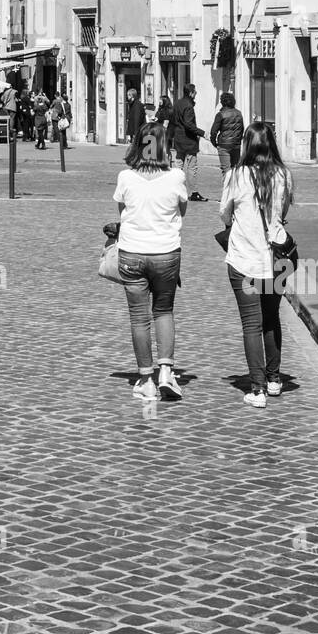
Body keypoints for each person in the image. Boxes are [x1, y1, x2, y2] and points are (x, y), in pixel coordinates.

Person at [113, 121, 188, 404]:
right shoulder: (176, 177)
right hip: (166, 253)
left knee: (138, 318)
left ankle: (146, 380)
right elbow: (182, 210)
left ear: (138, 145)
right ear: (164, 146)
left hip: (132, 253)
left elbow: (122, 212)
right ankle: (166, 372)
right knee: (164, 311)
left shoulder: (126, 178)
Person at [220, 122, 294, 408]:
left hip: (244, 258)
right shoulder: (283, 174)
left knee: (251, 324)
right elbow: (284, 211)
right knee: (272, 317)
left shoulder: (237, 176)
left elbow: (224, 214)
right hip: (275, 260)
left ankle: (257, 388)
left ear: (246, 145)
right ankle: (274, 380)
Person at [173, 83, 207, 201]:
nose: (196, 94)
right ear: (191, 93)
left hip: (178, 138)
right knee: (192, 167)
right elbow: (189, 124)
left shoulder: (177, 103)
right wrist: (202, 133)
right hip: (188, 140)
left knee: (178, 165)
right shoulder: (188, 106)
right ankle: (194, 192)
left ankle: (174, 189)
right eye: (195, 92)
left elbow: (174, 121)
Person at [210, 92, 245, 175]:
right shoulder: (239, 113)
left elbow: (213, 131)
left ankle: (227, 187)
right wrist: (238, 140)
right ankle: (235, 187)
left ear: (222, 102)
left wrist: (214, 142)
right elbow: (241, 129)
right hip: (236, 145)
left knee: (226, 170)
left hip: (224, 145)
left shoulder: (220, 114)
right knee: (235, 169)